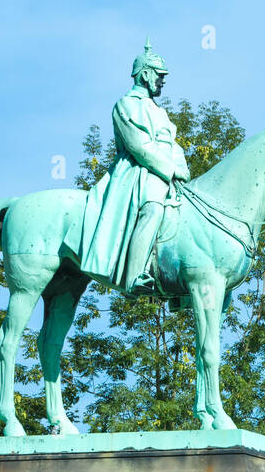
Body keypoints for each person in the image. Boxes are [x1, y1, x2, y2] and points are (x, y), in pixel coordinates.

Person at [78, 41, 190, 294]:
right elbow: (139, 146)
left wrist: (182, 168)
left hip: (167, 173)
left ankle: (178, 287)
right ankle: (134, 277)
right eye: (159, 75)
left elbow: (172, 143)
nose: (162, 81)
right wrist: (170, 169)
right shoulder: (126, 104)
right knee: (152, 209)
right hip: (139, 171)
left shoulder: (159, 111)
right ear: (145, 73)